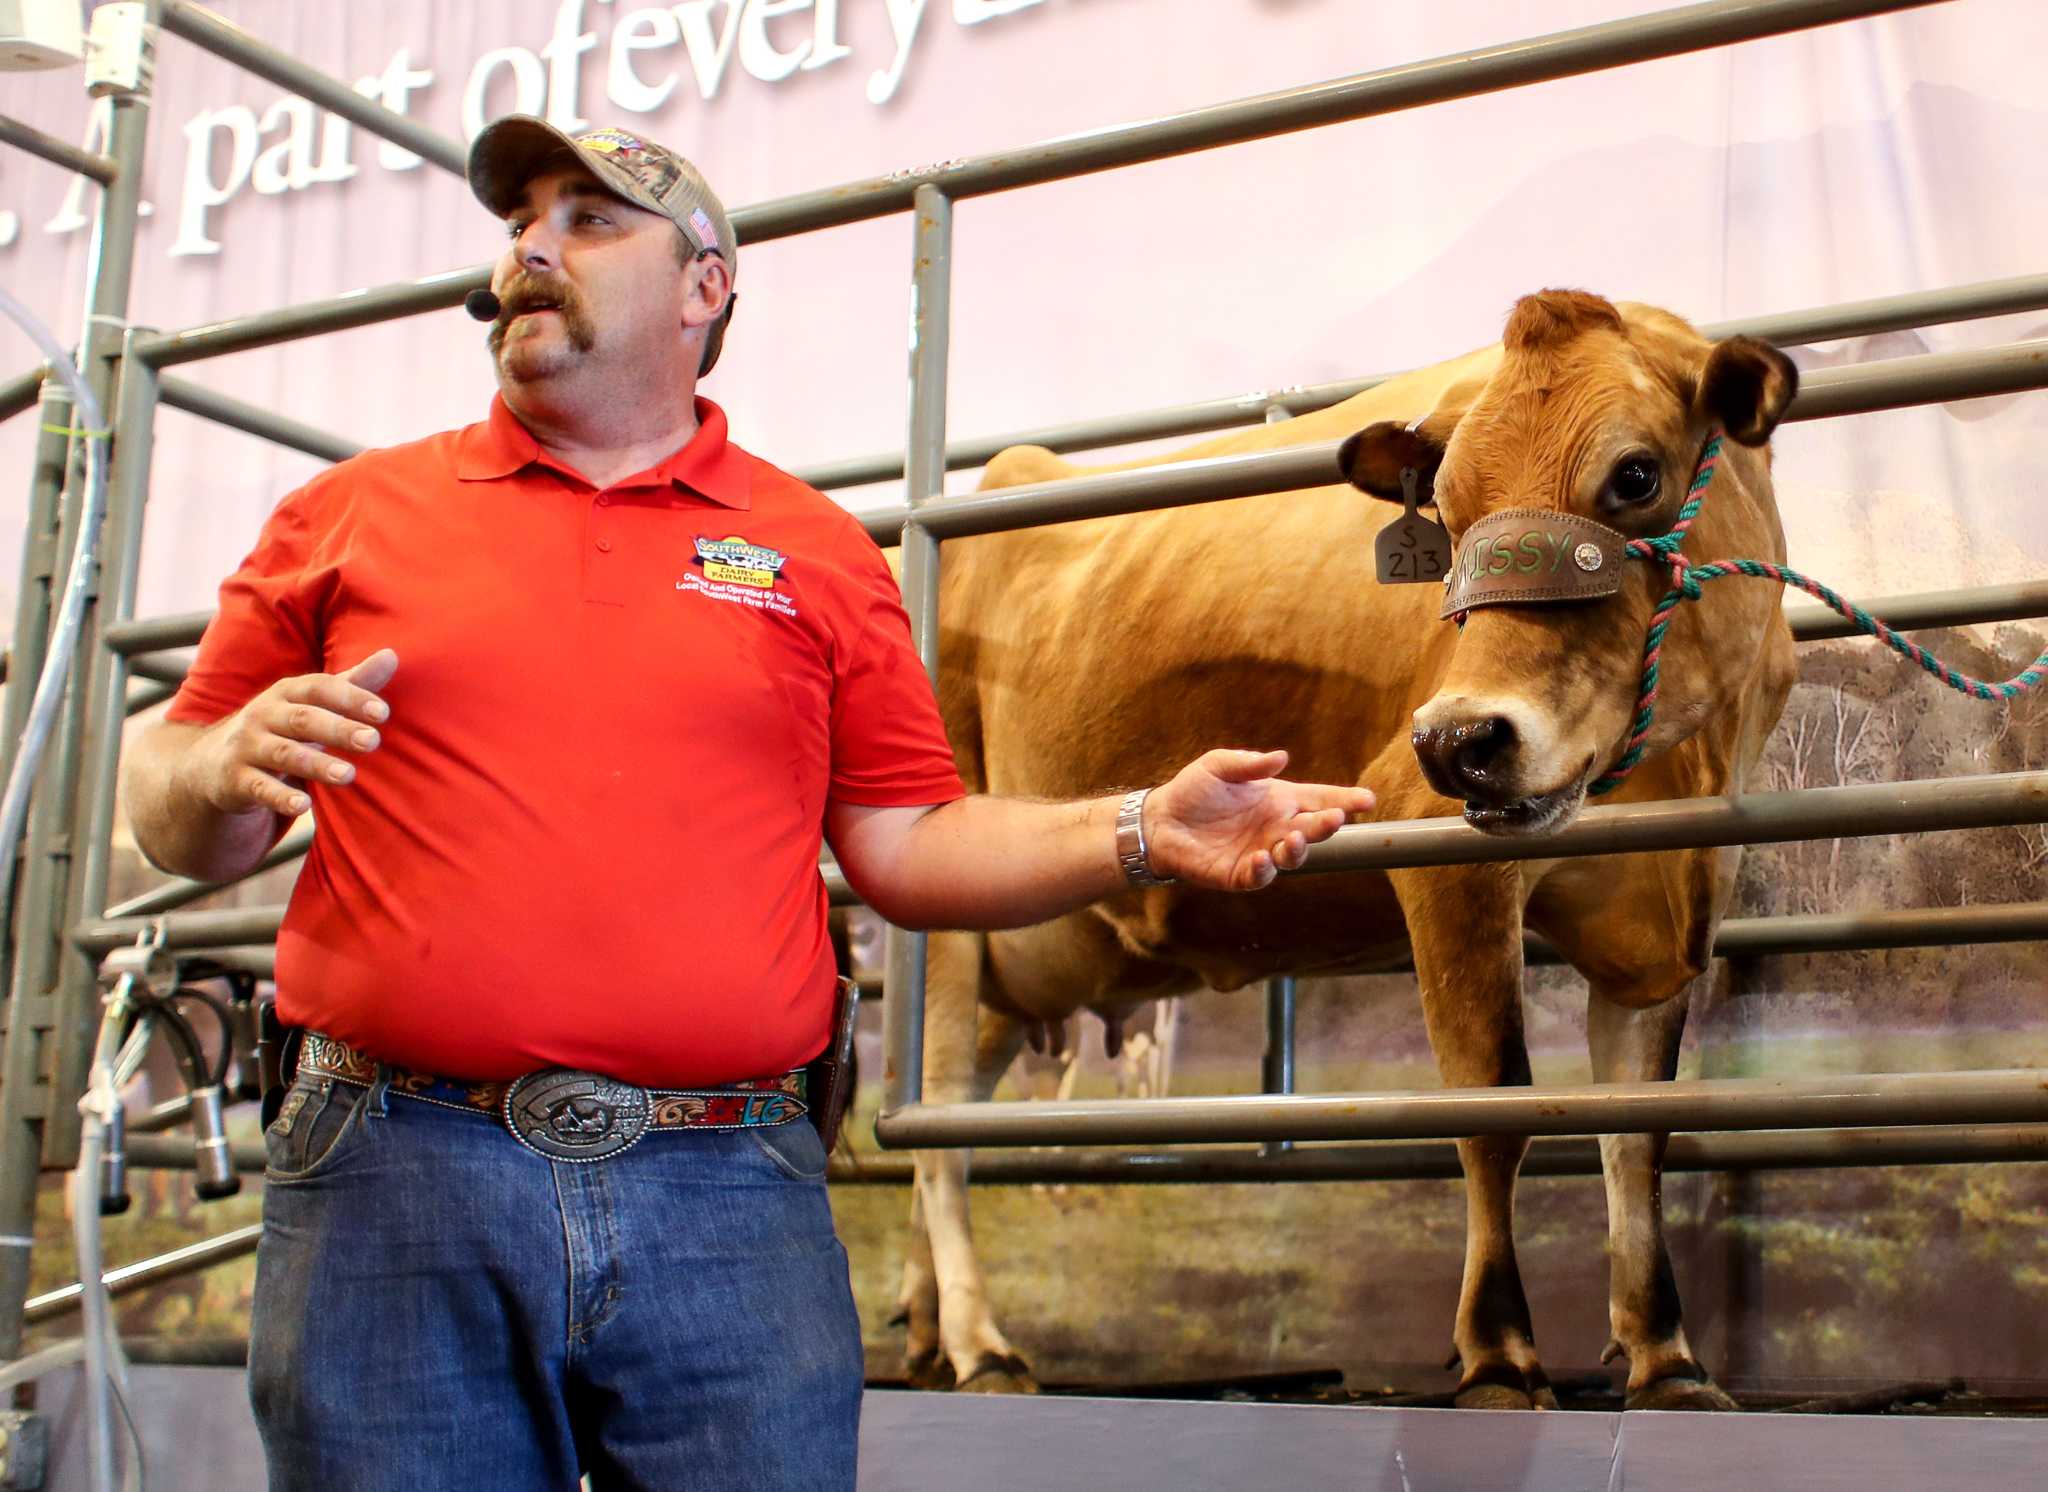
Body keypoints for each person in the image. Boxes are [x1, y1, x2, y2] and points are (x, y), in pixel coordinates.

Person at [120, 117, 1377, 1491]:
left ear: (705, 287)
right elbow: (180, 811)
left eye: (592, 221)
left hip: (722, 1189)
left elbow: (905, 843)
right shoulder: (351, 515)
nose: (534, 248)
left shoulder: (816, 553)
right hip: (395, 1174)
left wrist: (1137, 826)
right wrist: (214, 762)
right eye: (520, 224)